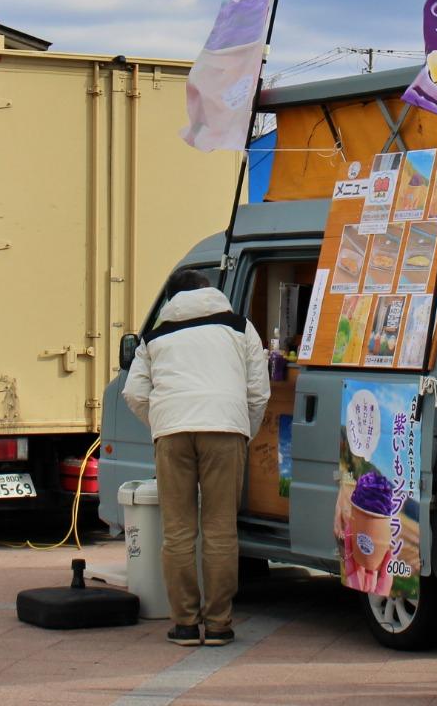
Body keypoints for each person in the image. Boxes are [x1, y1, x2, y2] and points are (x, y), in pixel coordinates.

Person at [121, 269, 268, 648]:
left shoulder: (155, 335)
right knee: (220, 529)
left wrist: (163, 420)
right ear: (209, 292)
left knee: (178, 531)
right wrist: (242, 429)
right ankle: (218, 624)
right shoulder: (239, 327)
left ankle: (185, 623)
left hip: (172, 433)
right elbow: (258, 391)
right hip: (225, 429)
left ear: (171, 299)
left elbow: (134, 392)